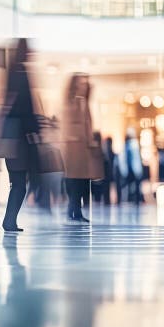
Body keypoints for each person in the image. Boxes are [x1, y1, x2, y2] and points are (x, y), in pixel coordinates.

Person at [0, 39, 40, 234]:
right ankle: (9, 221)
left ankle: (10, 220)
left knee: (17, 183)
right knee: (20, 184)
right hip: (19, 141)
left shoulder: (12, 72)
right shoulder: (21, 73)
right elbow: (26, 107)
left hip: (12, 140)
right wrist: (35, 130)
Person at [62, 73, 98, 223]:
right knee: (74, 181)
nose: (84, 86)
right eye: (81, 84)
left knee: (82, 182)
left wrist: (90, 140)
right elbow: (68, 125)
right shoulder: (70, 103)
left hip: (83, 149)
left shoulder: (84, 103)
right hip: (73, 149)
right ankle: (73, 209)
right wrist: (74, 137)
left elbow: (87, 125)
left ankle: (76, 210)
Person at [119, 128, 143, 204]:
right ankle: (133, 199)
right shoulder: (131, 144)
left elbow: (135, 158)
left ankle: (134, 199)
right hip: (132, 169)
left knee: (134, 185)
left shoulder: (132, 144)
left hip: (132, 169)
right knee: (133, 185)